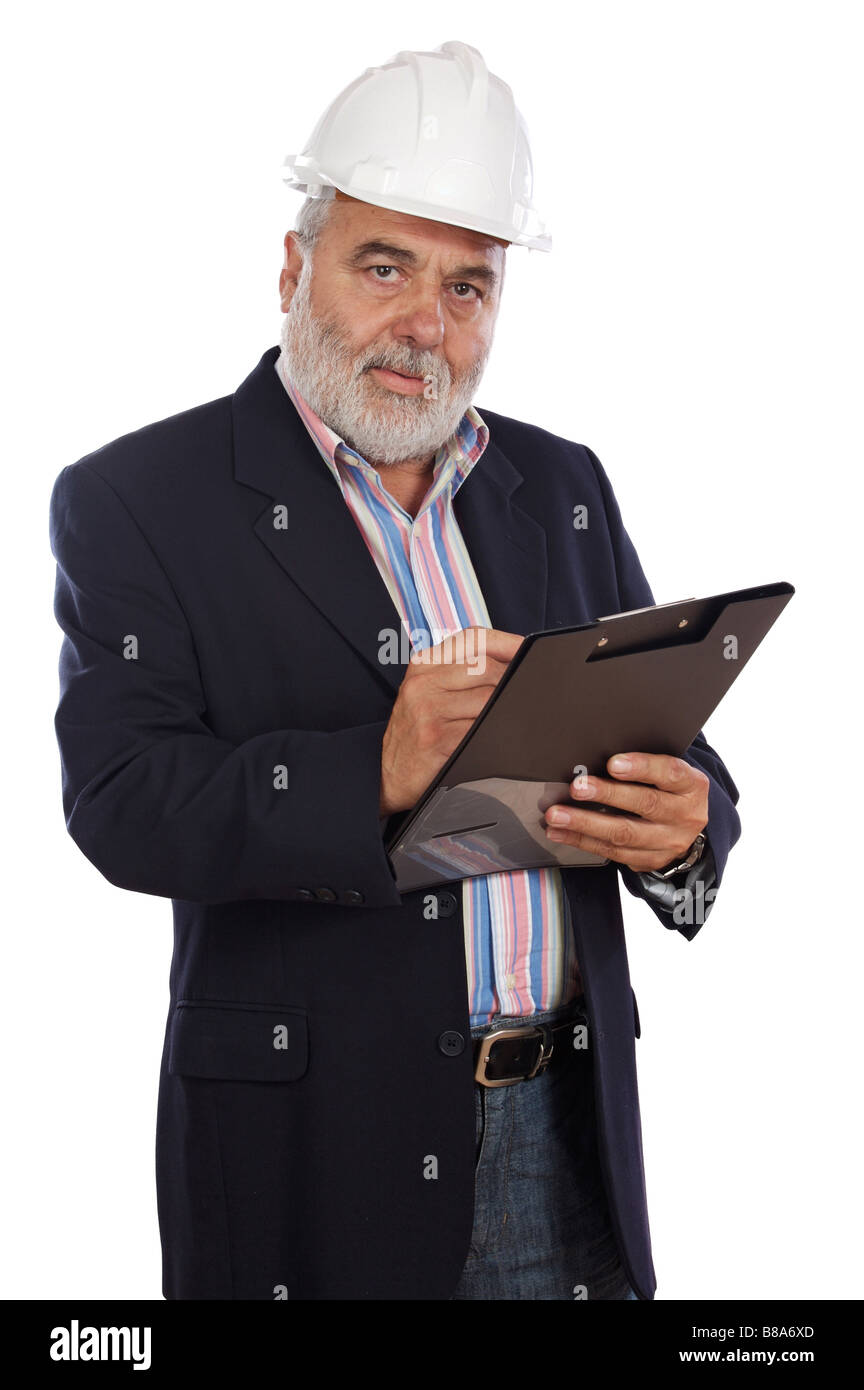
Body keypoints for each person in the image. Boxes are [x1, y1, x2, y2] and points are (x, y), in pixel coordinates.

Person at [49, 40, 740, 1301]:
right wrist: (369, 772)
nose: (427, 324)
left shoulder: (561, 484)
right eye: (386, 268)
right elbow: (120, 800)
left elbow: (684, 757)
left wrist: (683, 833)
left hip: (571, 1135)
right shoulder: (139, 500)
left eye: (469, 287)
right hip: (318, 1151)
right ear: (291, 268)